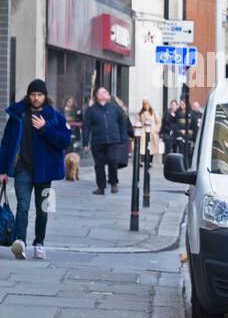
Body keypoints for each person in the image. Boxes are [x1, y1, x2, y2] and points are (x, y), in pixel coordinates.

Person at [0, 79, 72, 260]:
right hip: (22, 169)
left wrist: (45, 128)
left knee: (43, 209)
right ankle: (20, 242)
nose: (36, 98)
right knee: (22, 206)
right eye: (33, 94)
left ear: (45, 96)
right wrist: (2, 170)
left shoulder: (54, 116)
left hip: (45, 172)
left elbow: (64, 141)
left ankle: (39, 243)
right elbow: (6, 144)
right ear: (28, 95)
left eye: (39, 95)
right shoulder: (18, 115)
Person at [82, 86, 132, 195]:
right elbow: (86, 126)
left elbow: (123, 122)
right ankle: (101, 187)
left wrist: (123, 138)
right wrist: (85, 143)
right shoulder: (91, 110)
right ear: (98, 96)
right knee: (99, 165)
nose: (107, 93)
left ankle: (113, 183)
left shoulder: (115, 108)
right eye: (104, 92)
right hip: (97, 141)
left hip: (112, 141)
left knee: (113, 160)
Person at [136, 100, 162, 165]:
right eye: (144, 104)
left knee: (151, 147)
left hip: (152, 132)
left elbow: (158, 121)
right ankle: (143, 160)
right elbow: (137, 121)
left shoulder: (153, 112)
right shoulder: (140, 113)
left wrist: (156, 129)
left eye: (147, 104)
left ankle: (150, 161)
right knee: (143, 147)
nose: (146, 106)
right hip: (143, 132)